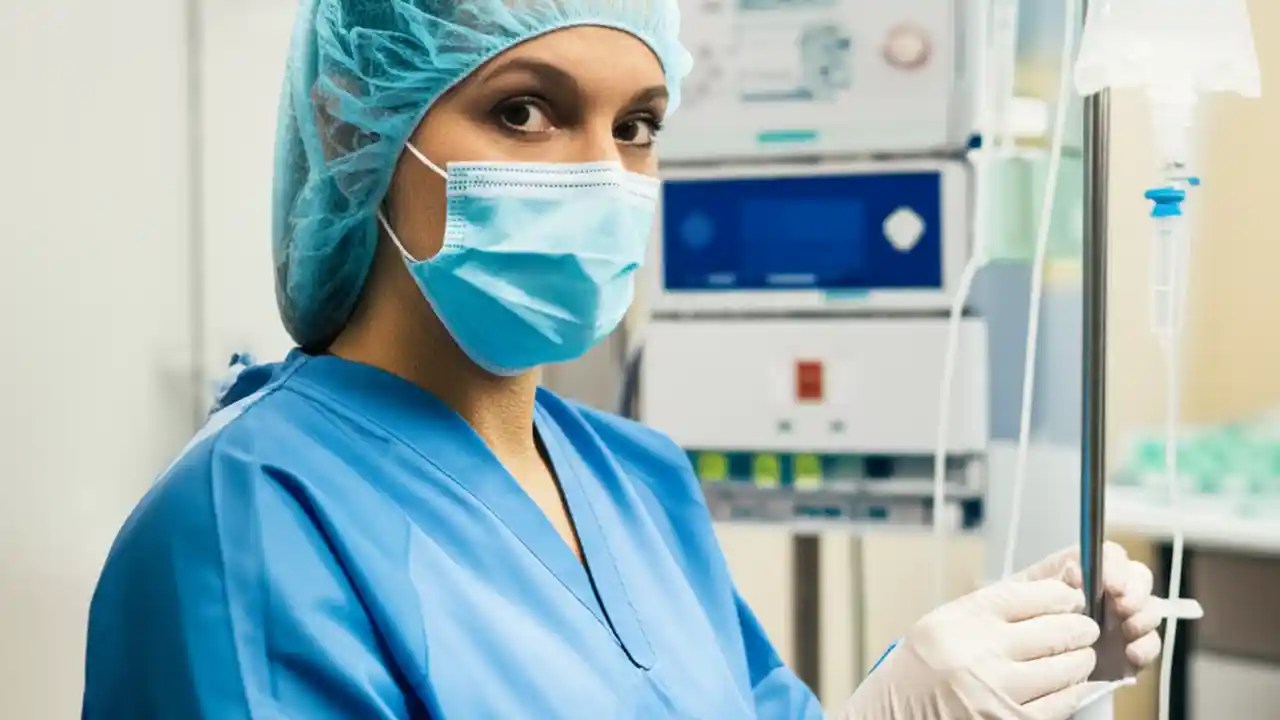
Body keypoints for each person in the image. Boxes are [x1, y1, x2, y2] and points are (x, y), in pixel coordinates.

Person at [82, 1, 1164, 718]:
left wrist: (992, 675)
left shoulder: (633, 478)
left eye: (637, 125)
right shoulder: (246, 527)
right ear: (351, 123)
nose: (600, 176)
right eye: (525, 112)